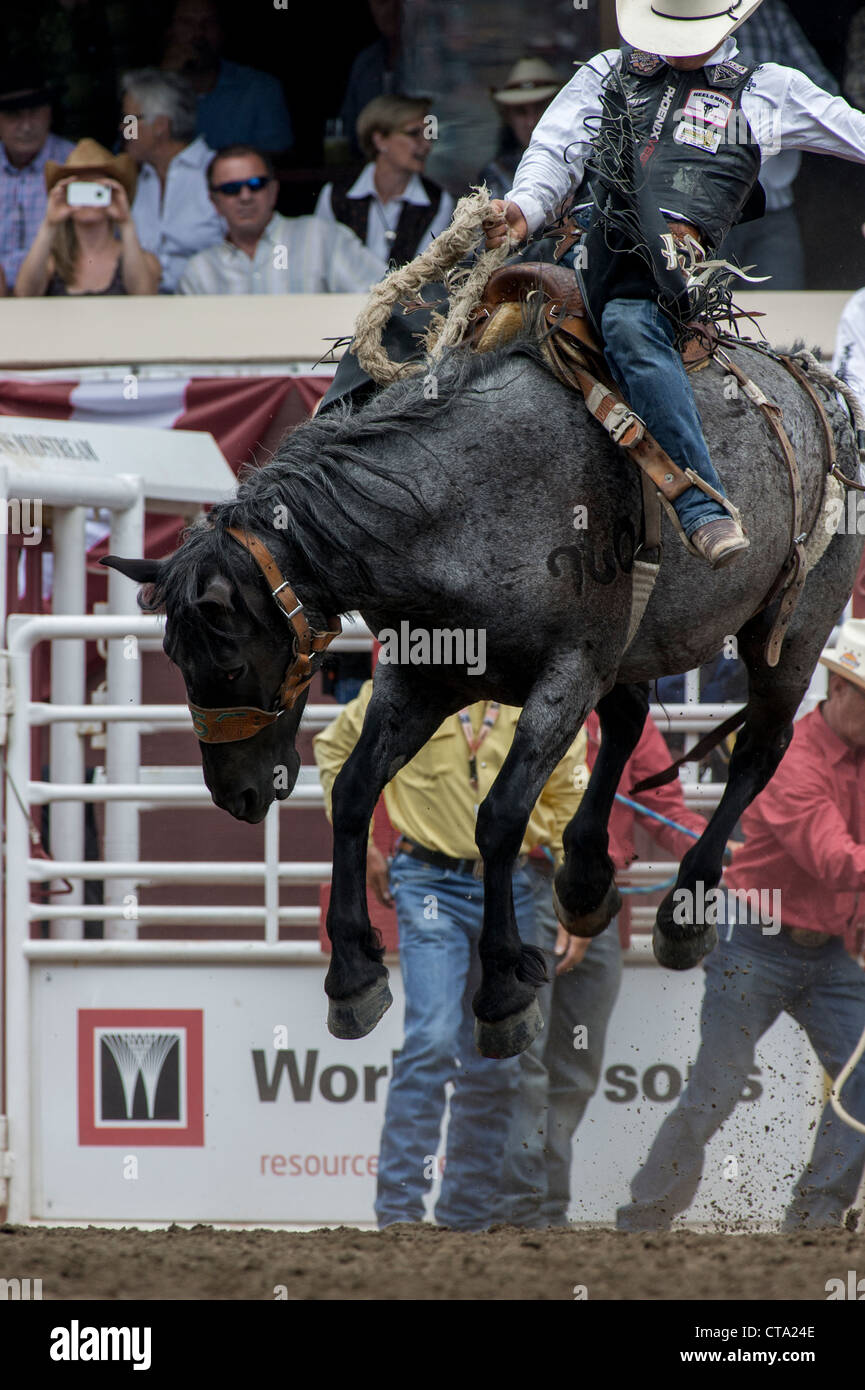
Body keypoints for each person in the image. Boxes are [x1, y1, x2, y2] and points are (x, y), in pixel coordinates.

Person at [483, 0, 865, 570]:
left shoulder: (767, 90)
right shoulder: (606, 71)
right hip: (584, 246)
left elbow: (856, 132)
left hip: (668, 269)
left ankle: (701, 504)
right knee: (456, 323)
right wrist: (523, 207)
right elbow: (554, 151)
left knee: (629, 321)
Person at [617, 618, 865, 1233]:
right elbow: (834, 860)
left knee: (862, 1080)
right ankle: (647, 1214)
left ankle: (817, 1216)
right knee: (718, 1085)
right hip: (756, 939)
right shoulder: (790, 759)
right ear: (837, 689)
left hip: (824, 946)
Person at [313, 680, 588, 1231]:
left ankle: (463, 1219)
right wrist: (360, 838)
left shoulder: (539, 689)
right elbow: (335, 749)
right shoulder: (406, 679)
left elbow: (567, 798)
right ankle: (400, 1216)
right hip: (431, 878)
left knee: (496, 1057)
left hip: (512, 884)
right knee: (434, 1040)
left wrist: (573, 895)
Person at [497, 709, 707, 1228]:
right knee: (532, 1059)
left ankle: (541, 1206)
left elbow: (663, 805)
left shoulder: (626, 712)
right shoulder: (528, 701)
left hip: (593, 898)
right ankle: (527, 1207)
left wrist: (717, 852)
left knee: (570, 1067)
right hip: (531, 882)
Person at [717, 0, 838, 290]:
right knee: (693, 319)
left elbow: (824, 94)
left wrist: (769, 113)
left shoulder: (768, 11)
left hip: (772, 204)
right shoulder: (667, 13)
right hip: (700, 210)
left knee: (783, 313)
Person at [179, 145, 387, 295]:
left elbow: (384, 298)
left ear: (273, 190)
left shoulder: (320, 237)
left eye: (255, 184)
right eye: (230, 189)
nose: (245, 196)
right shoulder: (200, 270)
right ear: (214, 201)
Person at [315, 95, 454, 267]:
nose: (426, 145)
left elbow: (424, 272)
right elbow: (320, 260)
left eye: (428, 136)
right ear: (380, 140)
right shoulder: (335, 195)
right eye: (414, 134)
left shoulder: (438, 202)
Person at [13, 139, 160, 297]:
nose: (88, 199)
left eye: (97, 190)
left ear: (112, 193)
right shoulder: (51, 263)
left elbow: (145, 296)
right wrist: (49, 224)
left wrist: (126, 223)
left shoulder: (142, 260)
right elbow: (23, 295)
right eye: (80, 189)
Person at [120, 67, 223, 293]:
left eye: (129, 121)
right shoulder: (133, 178)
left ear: (160, 126)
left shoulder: (216, 173)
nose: (123, 128)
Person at [161, 0, 293, 155]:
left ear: (221, 31)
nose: (198, 33)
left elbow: (278, 159)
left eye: (209, 22)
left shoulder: (260, 88)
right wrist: (161, 82)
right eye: (187, 23)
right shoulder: (144, 93)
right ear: (170, 32)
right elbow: (132, 142)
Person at [0, 61, 73, 291]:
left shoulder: (75, 162)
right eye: (14, 115)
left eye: (35, 112)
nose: (26, 126)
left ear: (50, 113)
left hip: (58, 293)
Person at [479, 58, 561, 204]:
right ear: (508, 117)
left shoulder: (586, 161)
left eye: (540, 108)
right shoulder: (495, 174)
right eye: (521, 112)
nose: (531, 122)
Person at [340, 0, 406, 159]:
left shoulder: (432, 60)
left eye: (400, 2)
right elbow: (347, 131)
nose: (391, 9)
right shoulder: (366, 62)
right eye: (381, 2)